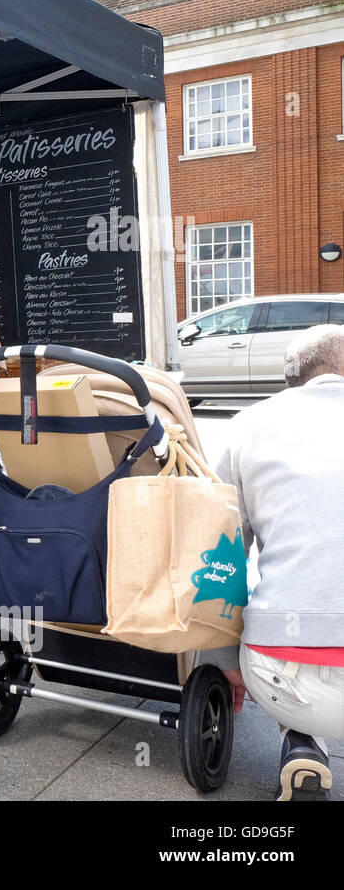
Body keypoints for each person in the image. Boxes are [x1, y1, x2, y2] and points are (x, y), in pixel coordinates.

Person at [211, 323, 344, 800]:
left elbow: (220, 560)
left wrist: (222, 660)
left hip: (281, 671)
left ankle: (303, 741)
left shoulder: (247, 425)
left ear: (293, 380)